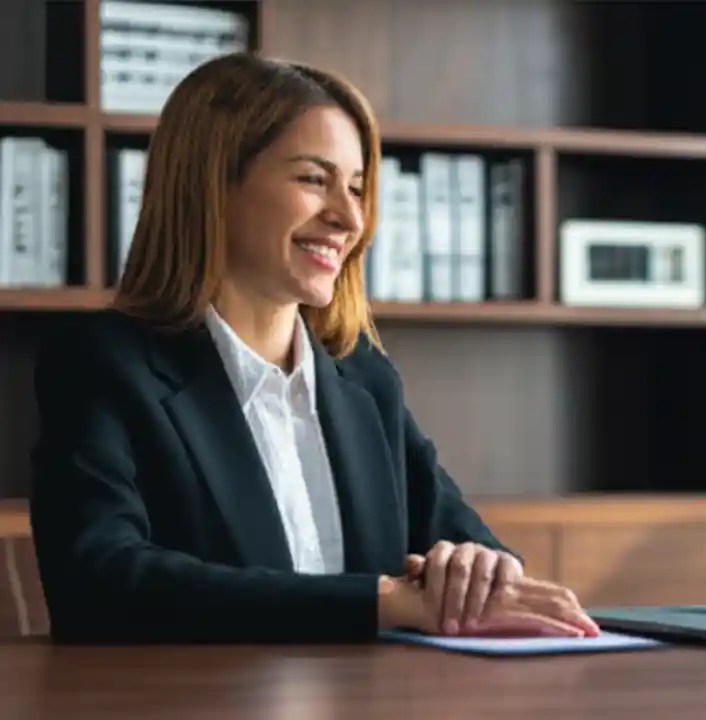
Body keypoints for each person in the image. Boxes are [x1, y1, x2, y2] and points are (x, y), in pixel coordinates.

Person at [28, 52, 599, 644]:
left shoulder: (363, 379)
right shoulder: (104, 362)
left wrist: (484, 571)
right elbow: (97, 583)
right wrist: (380, 600)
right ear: (213, 182)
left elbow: (464, 546)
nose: (350, 218)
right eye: (313, 179)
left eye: (356, 187)